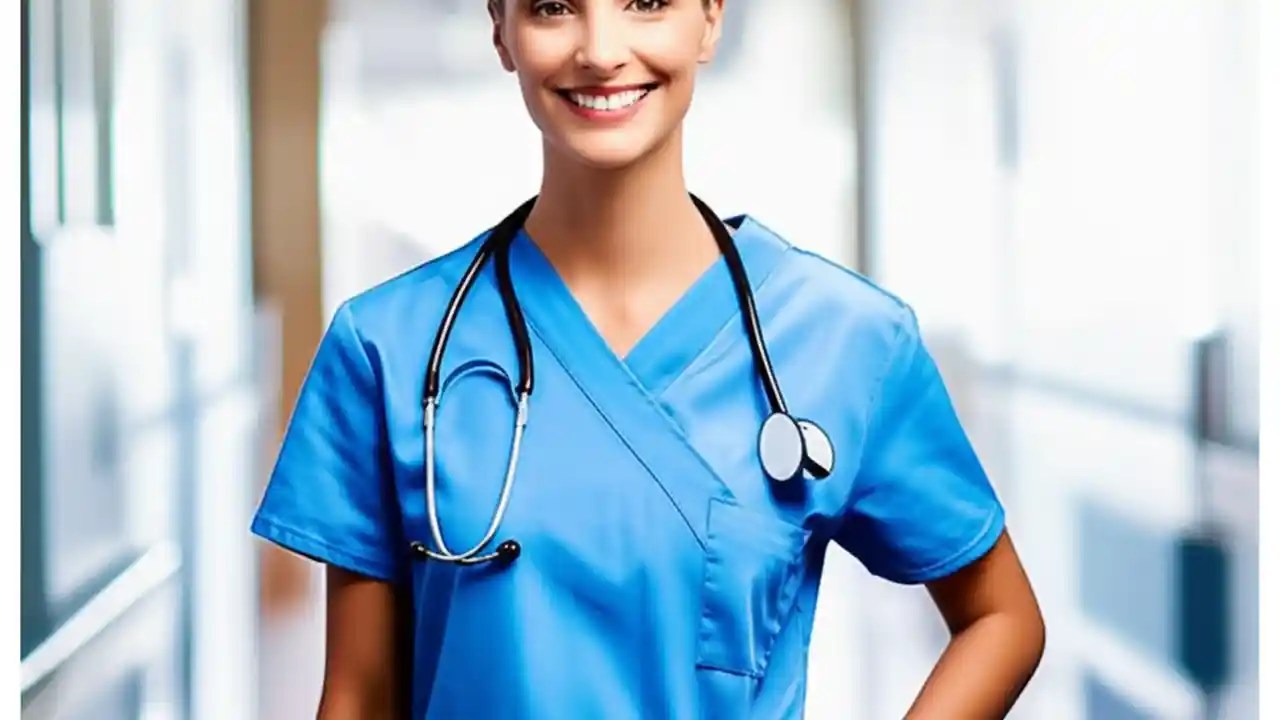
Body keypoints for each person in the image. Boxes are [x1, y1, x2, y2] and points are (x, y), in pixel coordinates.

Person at [249, 1, 1046, 717]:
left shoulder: (846, 339)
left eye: (646, 3)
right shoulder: (387, 346)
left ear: (709, 17)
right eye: (554, 6)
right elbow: (358, 694)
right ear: (501, 28)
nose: (602, 49)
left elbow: (1002, 617)